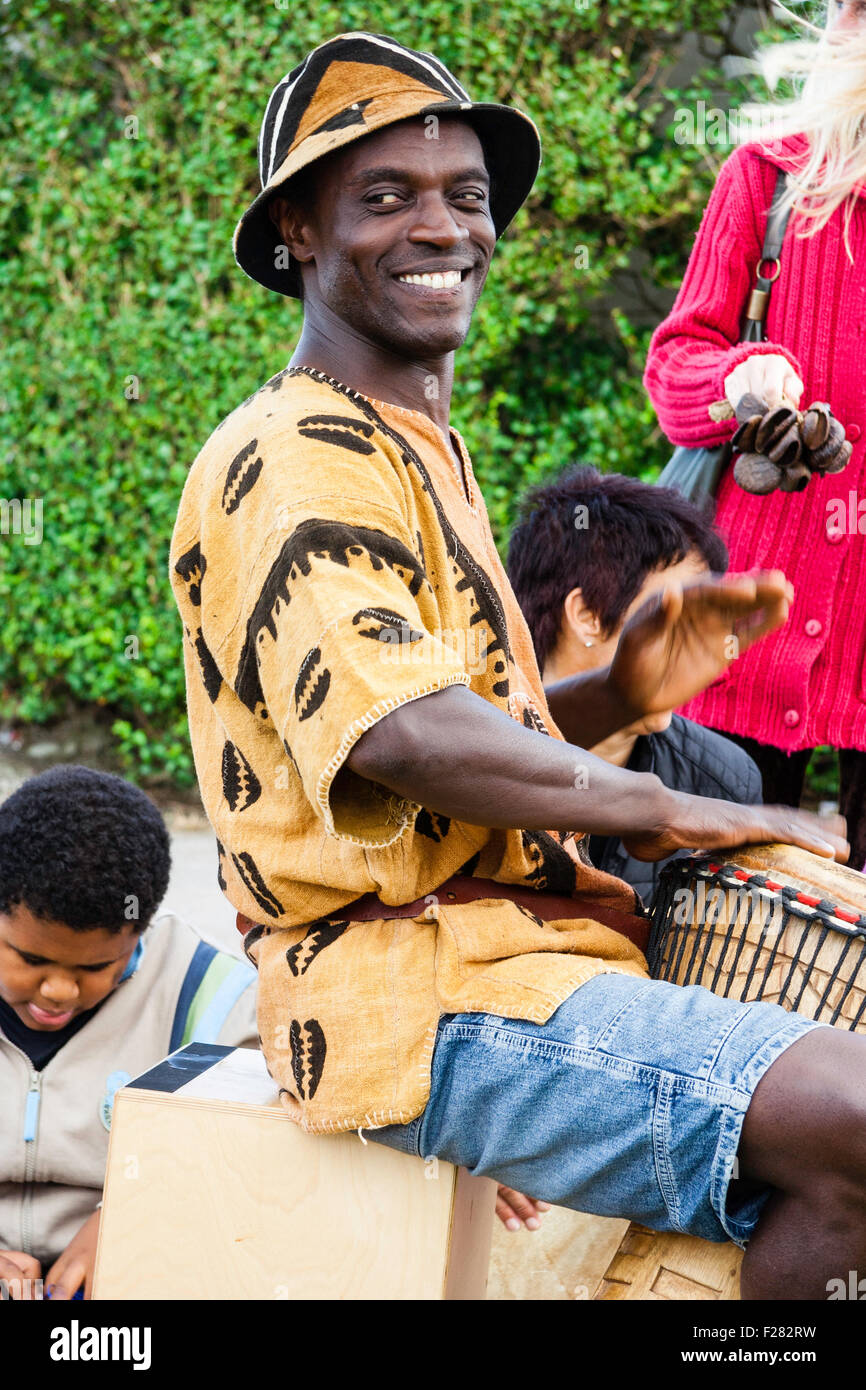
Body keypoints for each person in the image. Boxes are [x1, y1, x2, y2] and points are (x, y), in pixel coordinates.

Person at [170, 32, 865, 1300]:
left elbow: (456, 730)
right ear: (298, 235)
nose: (441, 227)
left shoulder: (415, 440)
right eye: (384, 198)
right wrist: (676, 802)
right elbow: (400, 739)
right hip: (409, 995)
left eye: (465, 198)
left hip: (512, 959)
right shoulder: (292, 453)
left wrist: (620, 697)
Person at [644, 3, 866, 868]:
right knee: (708, 928)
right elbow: (675, 365)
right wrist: (736, 382)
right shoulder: (767, 182)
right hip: (741, 645)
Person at [0, 765, 258, 1300]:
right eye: (31, 959)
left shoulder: (205, 996)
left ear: (139, 930)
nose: (58, 990)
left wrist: (131, 1213)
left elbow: (249, 1153)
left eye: (95, 968)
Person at [507, 465, 762, 901]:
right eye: (671, 615)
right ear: (586, 614)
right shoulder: (470, 748)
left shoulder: (725, 781)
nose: (698, 645)